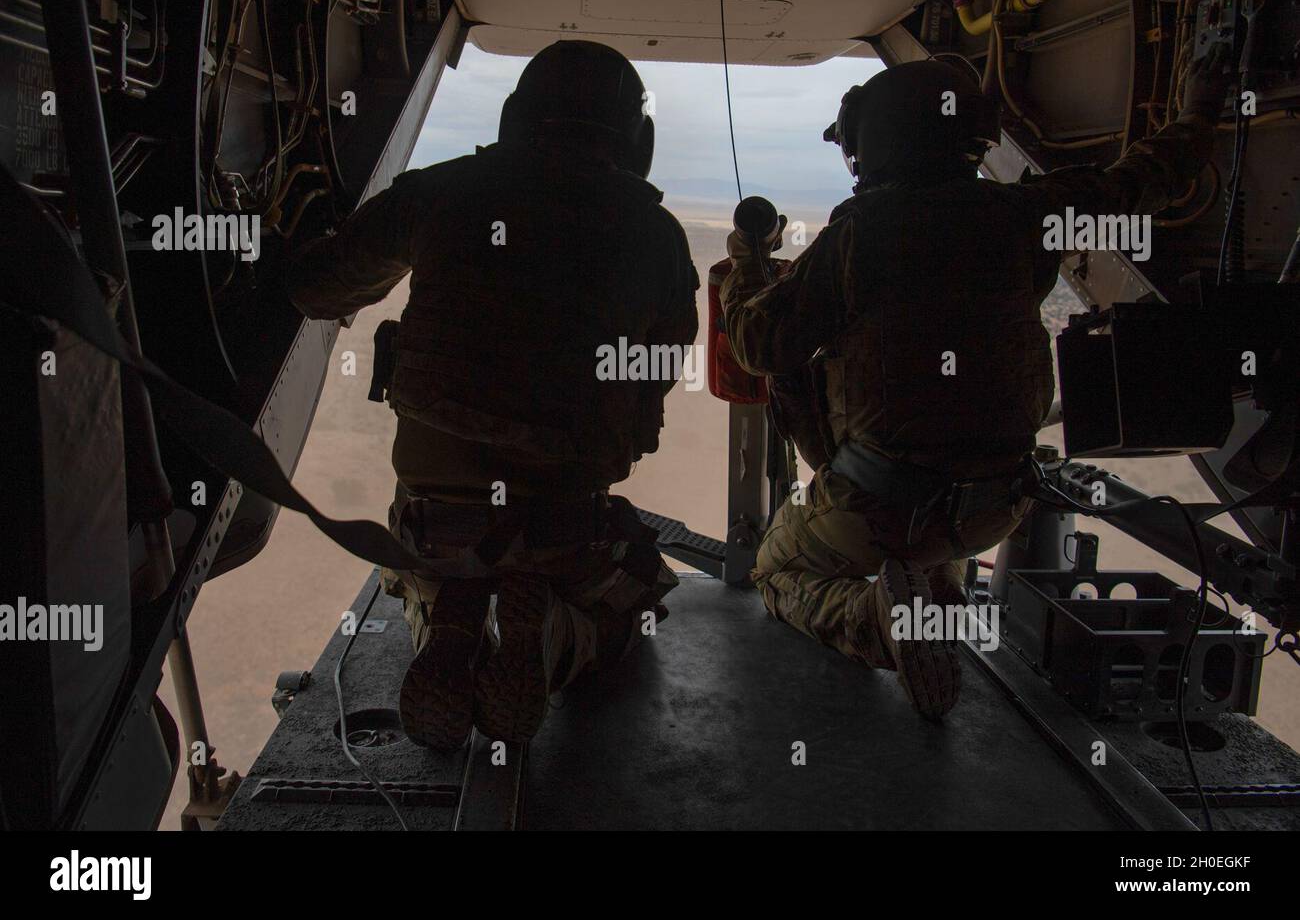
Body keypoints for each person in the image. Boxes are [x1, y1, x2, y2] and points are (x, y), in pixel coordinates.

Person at [720, 48, 1232, 719]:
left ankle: (882, 625)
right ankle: (939, 608)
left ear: (875, 143)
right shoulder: (1028, 213)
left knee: (776, 571)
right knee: (932, 541)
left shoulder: (858, 237)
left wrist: (746, 268)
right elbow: (1153, 176)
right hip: (995, 506)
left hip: (884, 506)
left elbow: (761, 344)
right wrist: (1203, 103)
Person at [288, 40, 698, 749]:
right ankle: (546, 640)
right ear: (639, 140)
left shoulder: (440, 191)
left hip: (431, 520)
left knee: (413, 577)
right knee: (632, 608)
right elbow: (654, 375)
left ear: (516, 117)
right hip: (561, 527)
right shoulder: (656, 234)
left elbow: (317, 287)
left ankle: (450, 611)